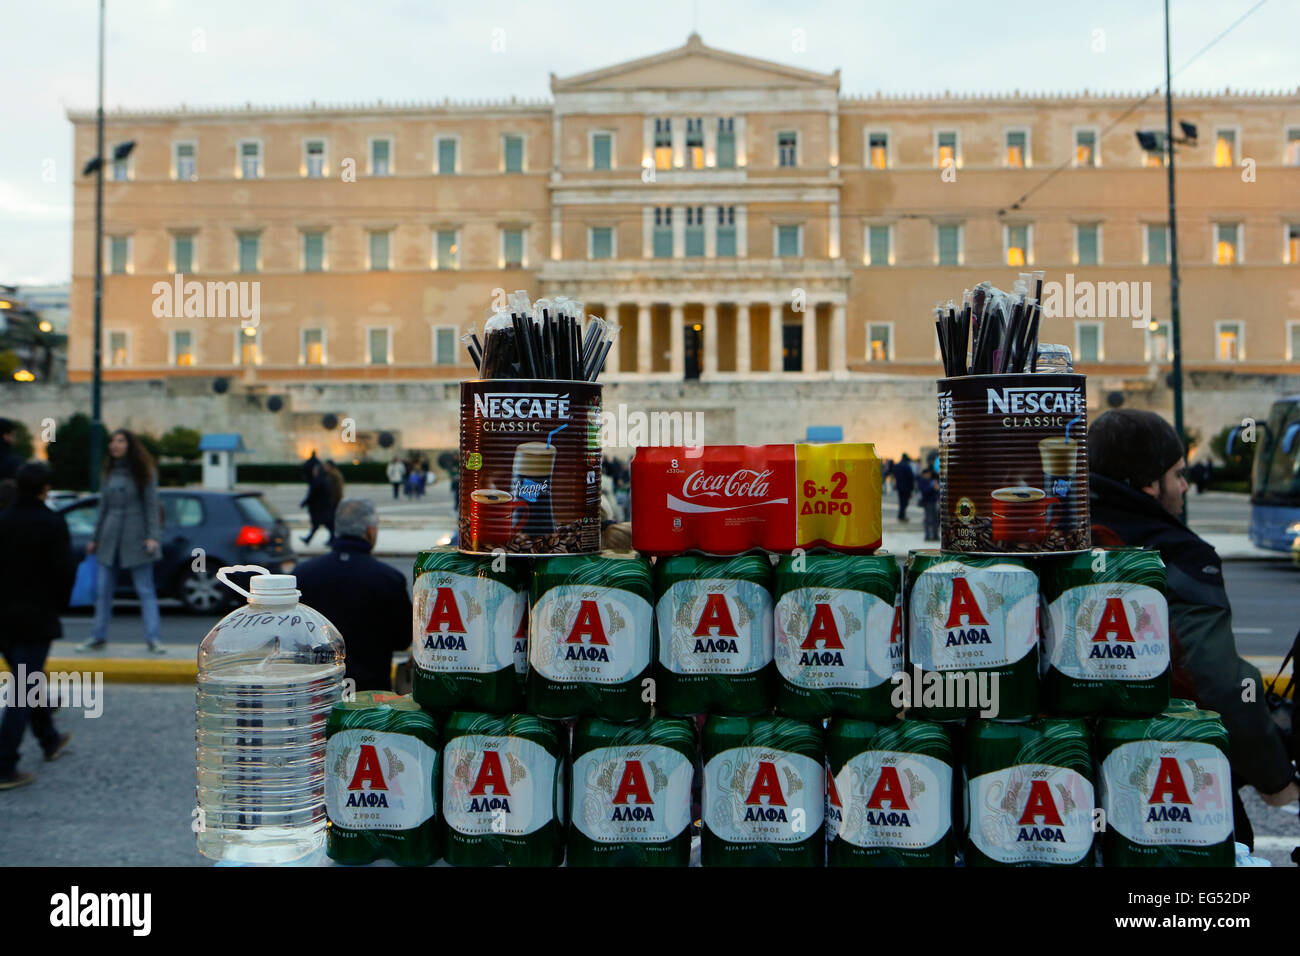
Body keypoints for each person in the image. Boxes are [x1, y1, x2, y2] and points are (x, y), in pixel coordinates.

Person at [1088, 408, 1299, 847]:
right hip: (1165, 775)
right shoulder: (1179, 555)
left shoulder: (1064, 534)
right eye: (1178, 475)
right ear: (1148, 483)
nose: (1184, 487)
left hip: (1072, 769)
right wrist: (1276, 780)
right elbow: (1221, 684)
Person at [0, 463, 75, 789]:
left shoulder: (2, 519)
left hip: (2, 617)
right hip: (35, 616)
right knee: (23, 686)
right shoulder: (52, 522)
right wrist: (59, 603)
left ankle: (49, 738)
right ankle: (5, 764)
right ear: (45, 488)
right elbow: (63, 571)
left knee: (26, 679)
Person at [294, 499, 412, 692]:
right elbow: (402, 639)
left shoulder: (302, 574)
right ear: (370, 532)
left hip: (316, 689)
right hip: (369, 691)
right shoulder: (389, 578)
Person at [80, 429, 164, 654]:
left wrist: (153, 536)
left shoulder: (144, 471)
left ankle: (153, 638)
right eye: (112, 441)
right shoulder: (108, 473)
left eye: (120, 441)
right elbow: (103, 509)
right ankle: (98, 636)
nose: (114, 445)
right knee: (103, 591)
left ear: (130, 445)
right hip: (109, 539)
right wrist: (95, 539)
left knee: (145, 590)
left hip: (136, 539)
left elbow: (151, 506)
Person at [300, 462, 333, 544]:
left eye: (315, 470)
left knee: (321, 524)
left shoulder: (317, 481)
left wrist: (304, 503)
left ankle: (308, 539)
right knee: (323, 524)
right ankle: (308, 539)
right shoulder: (324, 480)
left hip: (318, 507)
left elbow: (312, 495)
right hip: (322, 506)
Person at [918, 467, 940, 541]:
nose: (929, 475)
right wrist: (932, 487)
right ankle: (927, 535)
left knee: (935, 519)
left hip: (933, 501)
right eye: (927, 474)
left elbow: (936, 490)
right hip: (927, 502)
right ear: (924, 474)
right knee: (928, 519)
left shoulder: (932, 480)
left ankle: (935, 535)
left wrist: (936, 488)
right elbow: (924, 490)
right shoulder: (922, 481)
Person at [891, 454, 915, 522]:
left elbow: (894, 474)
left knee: (901, 502)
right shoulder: (907, 466)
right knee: (905, 503)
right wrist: (912, 488)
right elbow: (911, 477)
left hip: (899, 487)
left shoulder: (897, 465)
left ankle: (901, 515)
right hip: (906, 487)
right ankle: (901, 516)